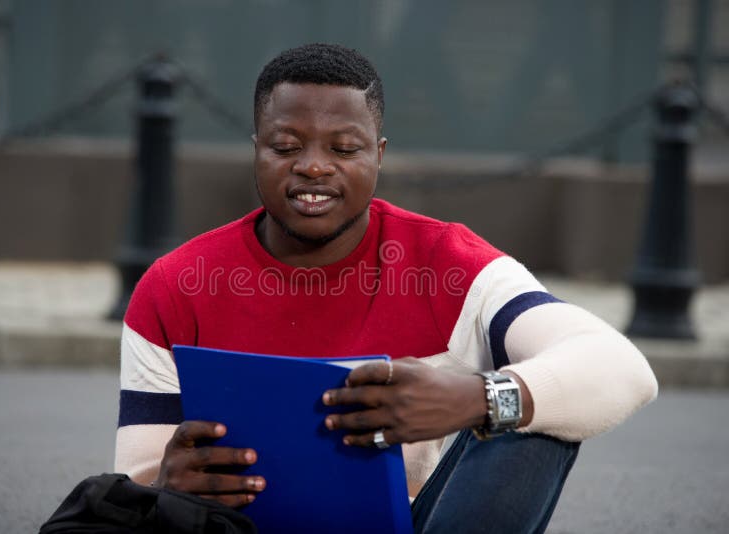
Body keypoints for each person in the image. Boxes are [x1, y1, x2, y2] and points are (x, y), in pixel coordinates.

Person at [114, 43, 658, 532]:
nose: (313, 167)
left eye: (345, 150)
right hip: (245, 526)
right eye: (285, 146)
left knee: (534, 415)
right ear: (256, 149)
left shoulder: (449, 264)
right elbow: (131, 487)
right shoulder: (177, 285)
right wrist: (163, 483)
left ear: (379, 153)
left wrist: (479, 398)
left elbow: (622, 367)